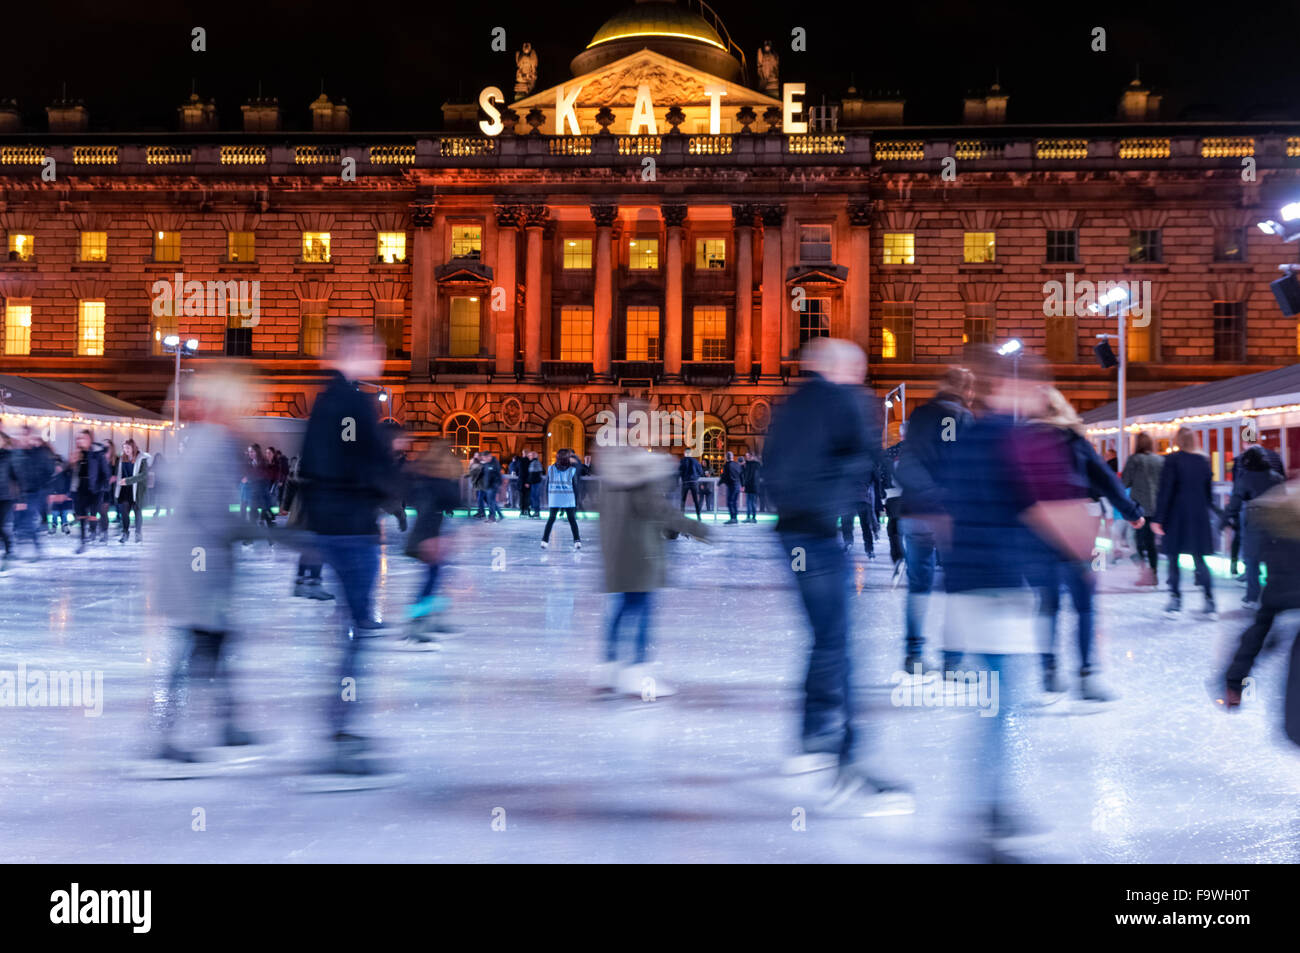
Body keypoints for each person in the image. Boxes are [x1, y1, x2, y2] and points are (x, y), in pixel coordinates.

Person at [940, 348, 1087, 851]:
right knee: (1003, 708)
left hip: (965, 583)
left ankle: (989, 808)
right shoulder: (1020, 441)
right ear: (1014, 386)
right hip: (1001, 585)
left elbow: (945, 512)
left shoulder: (968, 438)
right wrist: (1080, 544)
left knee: (996, 705)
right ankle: (991, 814)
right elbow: (1053, 513)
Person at [764, 337, 910, 815]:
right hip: (820, 534)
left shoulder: (787, 407)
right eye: (860, 371)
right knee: (840, 641)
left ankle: (810, 740)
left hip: (792, 534)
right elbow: (873, 458)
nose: (864, 380)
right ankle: (847, 762)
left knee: (825, 637)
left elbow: (772, 471)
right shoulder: (846, 399)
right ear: (842, 369)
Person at [150, 364, 261, 769]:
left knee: (216, 644)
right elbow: (212, 511)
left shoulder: (202, 439)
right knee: (192, 649)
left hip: (194, 565)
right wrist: (277, 535)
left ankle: (227, 723)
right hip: (194, 568)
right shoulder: (212, 443)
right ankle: (165, 737)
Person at [298, 322, 397, 775]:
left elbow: (316, 465)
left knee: (352, 629)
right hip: (353, 529)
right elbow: (364, 462)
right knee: (359, 631)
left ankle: (338, 726)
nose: (379, 358)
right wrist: (394, 493)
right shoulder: (353, 403)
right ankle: (339, 731)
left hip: (327, 526)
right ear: (354, 353)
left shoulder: (323, 401)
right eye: (374, 351)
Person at [1029, 388, 1144, 701]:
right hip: (1074, 529)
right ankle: (1085, 674)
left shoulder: (1023, 442)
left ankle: (1049, 667)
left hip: (1037, 531)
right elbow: (1107, 480)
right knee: (1083, 605)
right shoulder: (1073, 440)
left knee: (1048, 603)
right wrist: (1133, 513)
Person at [594, 407, 711, 696]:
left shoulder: (611, 466)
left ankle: (609, 667)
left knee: (623, 606)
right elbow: (656, 509)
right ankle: (637, 671)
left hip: (617, 548)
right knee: (643, 608)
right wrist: (698, 529)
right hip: (641, 552)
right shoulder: (640, 470)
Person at [893, 368, 974, 671]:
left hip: (915, 512)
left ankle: (913, 653)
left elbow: (907, 464)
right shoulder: (964, 419)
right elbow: (966, 468)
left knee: (918, 586)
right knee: (956, 586)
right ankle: (952, 660)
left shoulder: (919, 415)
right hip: (949, 515)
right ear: (967, 390)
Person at [401, 439, 464, 647]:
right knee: (431, 580)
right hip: (427, 538)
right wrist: (430, 541)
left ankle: (431, 617)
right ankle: (416, 622)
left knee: (438, 577)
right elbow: (443, 504)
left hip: (429, 536)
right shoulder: (435, 482)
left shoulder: (427, 479)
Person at [1153, 427, 1217, 619]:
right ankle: (1209, 601)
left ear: (1178, 441)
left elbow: (1166, 490)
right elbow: (1208, 494)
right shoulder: (1203, 461)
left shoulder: (1172, 460)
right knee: (1199, 559)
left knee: (1174, 558)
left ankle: (1175, 600)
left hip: (1176, 515)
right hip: (1198, 515)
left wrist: (1158, 519)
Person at [1224, 445, 1286, 609]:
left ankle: (1252, 597)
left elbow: (1235, 502)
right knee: (1273, 560)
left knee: (1252, 561)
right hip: (1275, 524)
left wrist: (1226, 518)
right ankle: (1275, 594)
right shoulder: (1276, 477)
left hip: (1254, 523)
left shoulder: (1246, 478)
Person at [1122, 432, 1165, 587]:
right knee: (1151, 543)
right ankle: (1153, 574)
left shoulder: (1134, 460)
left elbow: (1125, 482)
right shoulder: (1160, 460)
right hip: (1156, 507)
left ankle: (1144, 573)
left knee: (1138, 542)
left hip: (1139, 508)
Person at [11, 427, 56, 561]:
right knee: (19, 522)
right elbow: (13, 471)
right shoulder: (17, 453)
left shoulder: (39, 452)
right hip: (21, 493)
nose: (24, 438)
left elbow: (49, 470)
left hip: (36, 491)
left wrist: (47, 489)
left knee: (29, 520)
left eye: (26, 435)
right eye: (22, 435)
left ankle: (37, 549)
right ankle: (21, 549)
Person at [70, 430, 111, 554]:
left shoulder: (97, 455)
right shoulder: (77, 454)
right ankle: (83, 541)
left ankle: (102, 531)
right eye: (80, 438)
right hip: (80, 488)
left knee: (94, 514)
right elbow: (71, 473)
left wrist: (101, 487)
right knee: (82, 516)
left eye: (84, 438)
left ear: (89, 439)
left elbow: (106, 473)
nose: (81, 440)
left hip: (94, 489)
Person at [541, 449, 581, 550]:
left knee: (551, 519)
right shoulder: (572, 470)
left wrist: (547, 497)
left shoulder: (551, 469)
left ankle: (544, 541)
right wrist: (576, 500)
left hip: (555, 497)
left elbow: (546, 485)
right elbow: (575, 486)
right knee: (572, 520)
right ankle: (577, 541)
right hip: (568, 498)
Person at [113, 438, 149, 543]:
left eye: (128, 447)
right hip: (124, 490)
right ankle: (125, 532)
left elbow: (143, 475)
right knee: (124, 513)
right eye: (124, 448)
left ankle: (138, 533)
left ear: (133, 447)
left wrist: (128, 480)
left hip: (136, 490)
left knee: (137, 512)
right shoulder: (121, 459)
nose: (126, 450)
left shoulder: (141, 459)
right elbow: (118, 473)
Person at [0, 433, 16, 572]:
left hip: (5, 497)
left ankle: (9, 549)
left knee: (1, 526)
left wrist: (21, 498)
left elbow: (17, 477)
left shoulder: (9, 457)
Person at [678, 450, 704, 519]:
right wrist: (696, 478)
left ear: (685, 453)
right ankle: (698, 516)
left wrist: (682, 478)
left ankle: (681, 515)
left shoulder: (682, 461)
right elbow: (701, 472)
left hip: (685, 482)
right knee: (695, 500)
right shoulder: (696, 461)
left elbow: (679, 471)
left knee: (683, 500)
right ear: (691, 454)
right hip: (693, 482)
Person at [720, 451, 743, 525]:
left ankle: (732, 518)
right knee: (734, 502)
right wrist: (742, 485)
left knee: (730, 502)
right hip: (737, 485)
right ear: (732, 457)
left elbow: (724, 476)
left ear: (726, 457)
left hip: (731, 486)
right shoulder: (737, 464)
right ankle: (735, 518)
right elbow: (741, 475)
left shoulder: (726, 465)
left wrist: (718, 484)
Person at [741, 452, 761, 522]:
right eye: (746, 456)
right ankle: (753, 518)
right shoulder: (757, 464)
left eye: (747, 456)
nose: (747, 457)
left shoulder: (749, 464)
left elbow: (746, 475)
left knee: (750, 502)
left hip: (750, 485)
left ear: (751, 456)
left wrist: (744, 484)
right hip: (754, 486)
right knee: (752, 502)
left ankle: (750, 517)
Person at [526, 450, 544, 518]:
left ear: (533, 456)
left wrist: (528, 482)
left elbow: (532, 474)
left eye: (530, 455)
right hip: (536, 482)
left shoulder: (534, 463)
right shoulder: (537, 462)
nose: (529, 457)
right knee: (534, 497)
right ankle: (536, 511)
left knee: (534, 497)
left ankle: (536, 511)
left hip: (535, 483)